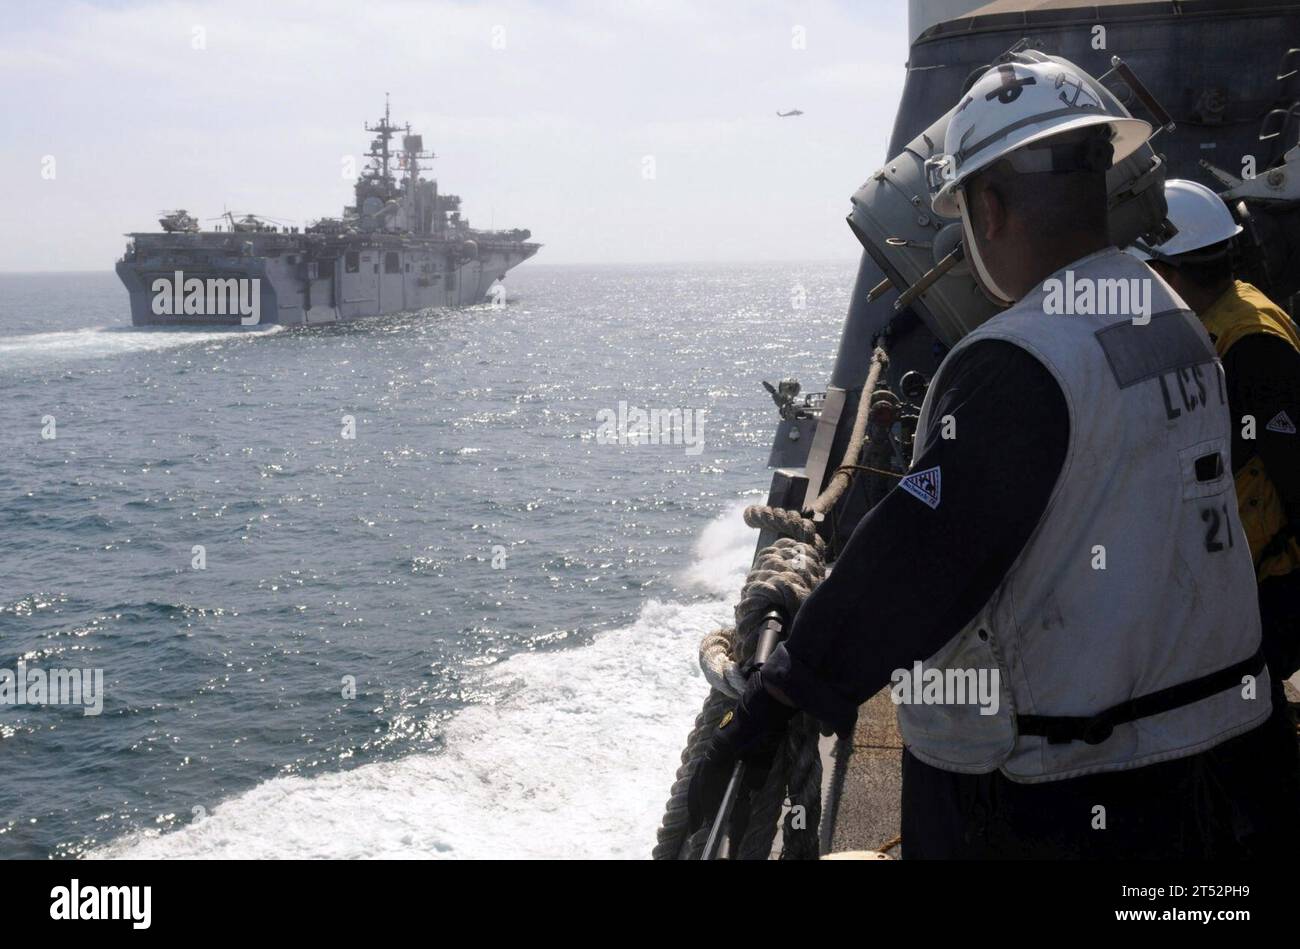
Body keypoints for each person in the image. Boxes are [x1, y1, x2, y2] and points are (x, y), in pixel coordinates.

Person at [688, 60, 1300, 858]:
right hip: (1207, 757)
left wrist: (780, 696)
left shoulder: (1023, 359)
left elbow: (917, 558)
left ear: (986, 207)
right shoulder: (1173, 316)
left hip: (1056, 792)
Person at [1133, 180, 1300, 686]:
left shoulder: (1251, 344)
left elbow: (1291, 467)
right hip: (1236, 575)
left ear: (1167, 272)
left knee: (1245, 717)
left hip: (1267, 584)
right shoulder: (1216, 314)